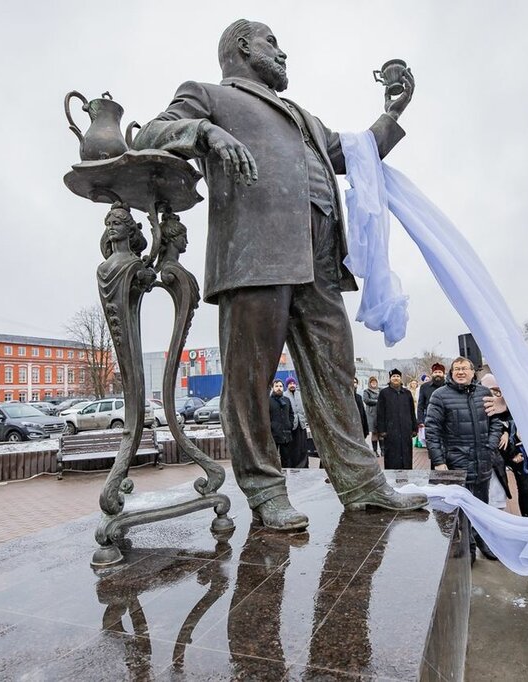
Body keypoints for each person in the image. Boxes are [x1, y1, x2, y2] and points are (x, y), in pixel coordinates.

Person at [130, 19, 426, 528]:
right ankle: (265, 490)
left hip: (320, 261)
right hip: (255, 256)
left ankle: (362, 484)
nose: (283, 53)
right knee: (249, 378)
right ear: (244, 46)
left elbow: (350, 154)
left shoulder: (302, 116)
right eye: (273, 43)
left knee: (337, 375)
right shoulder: (207, 95)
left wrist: (392, 111)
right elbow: (153, 133)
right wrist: (204, 130)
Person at [425, 357, 504, 563]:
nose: (460, 372)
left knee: (482, 505)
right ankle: (467, 547)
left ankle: (482, 541)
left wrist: (491, 444)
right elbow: (432, 431)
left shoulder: (484, 393)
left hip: (483, 460)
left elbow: (496, 421)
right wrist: (440, 461)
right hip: (457, 461)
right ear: (451, 373)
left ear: (472, 372)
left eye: (464, 369)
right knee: (463, 508)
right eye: (456, 369)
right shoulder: (440, 396)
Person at [481, 374, 528, 518]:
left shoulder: (522, 400)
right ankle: (526, 518)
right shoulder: (493, 403)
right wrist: (506, 432)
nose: (495, 392)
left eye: (497, 389)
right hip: (516, 451)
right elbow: (497, 422)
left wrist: (507, 430)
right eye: (491, 389)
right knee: (524, 488)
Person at [376, 368, 417, 469]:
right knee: (392, 455)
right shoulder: (384, 393)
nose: (396, 378)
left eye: (398, 376)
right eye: (393, 376)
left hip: (405, 429)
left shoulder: (407, 393)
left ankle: (407, 476)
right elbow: (380, 412)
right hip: (390, 430)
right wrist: (381, 430)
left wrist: (414, 428)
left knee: (406, 454)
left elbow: (412, 411)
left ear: (401, 379)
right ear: (390, 379)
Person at [268, 380, 295, 468]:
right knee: (272, 458)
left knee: (286, 458)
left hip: (286, 434)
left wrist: (290, 424)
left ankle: (287, 474)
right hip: (273, 434)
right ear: (272, 388)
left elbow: (291, 413)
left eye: (280, 386)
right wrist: (271, 427)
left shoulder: (286, 400)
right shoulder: (268, 401)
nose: (279, 388)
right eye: (276, 386)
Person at [284, 377, 309, 467]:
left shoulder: (300, 394)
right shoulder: (285, 395)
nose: (292, 385)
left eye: (293, 383)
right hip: (292, 426)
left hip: (301, 424)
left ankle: (304, 465)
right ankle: (294, 465)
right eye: (290, 384)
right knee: (293, 448)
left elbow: (306, 408)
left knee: (303, 447)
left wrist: (305, 420)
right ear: (287, 385)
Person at [363, 377, 381, 455]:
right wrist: (377, 401)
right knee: (374, 432)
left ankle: (383, 450)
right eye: (372, 382)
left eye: (375, 382)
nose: (374, 384)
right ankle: (375, 450)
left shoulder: (380, 390)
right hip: (372, 414)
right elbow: (366, 400)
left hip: (380, 413)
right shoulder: (366, 391)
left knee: (381, 432)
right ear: (369, 383)